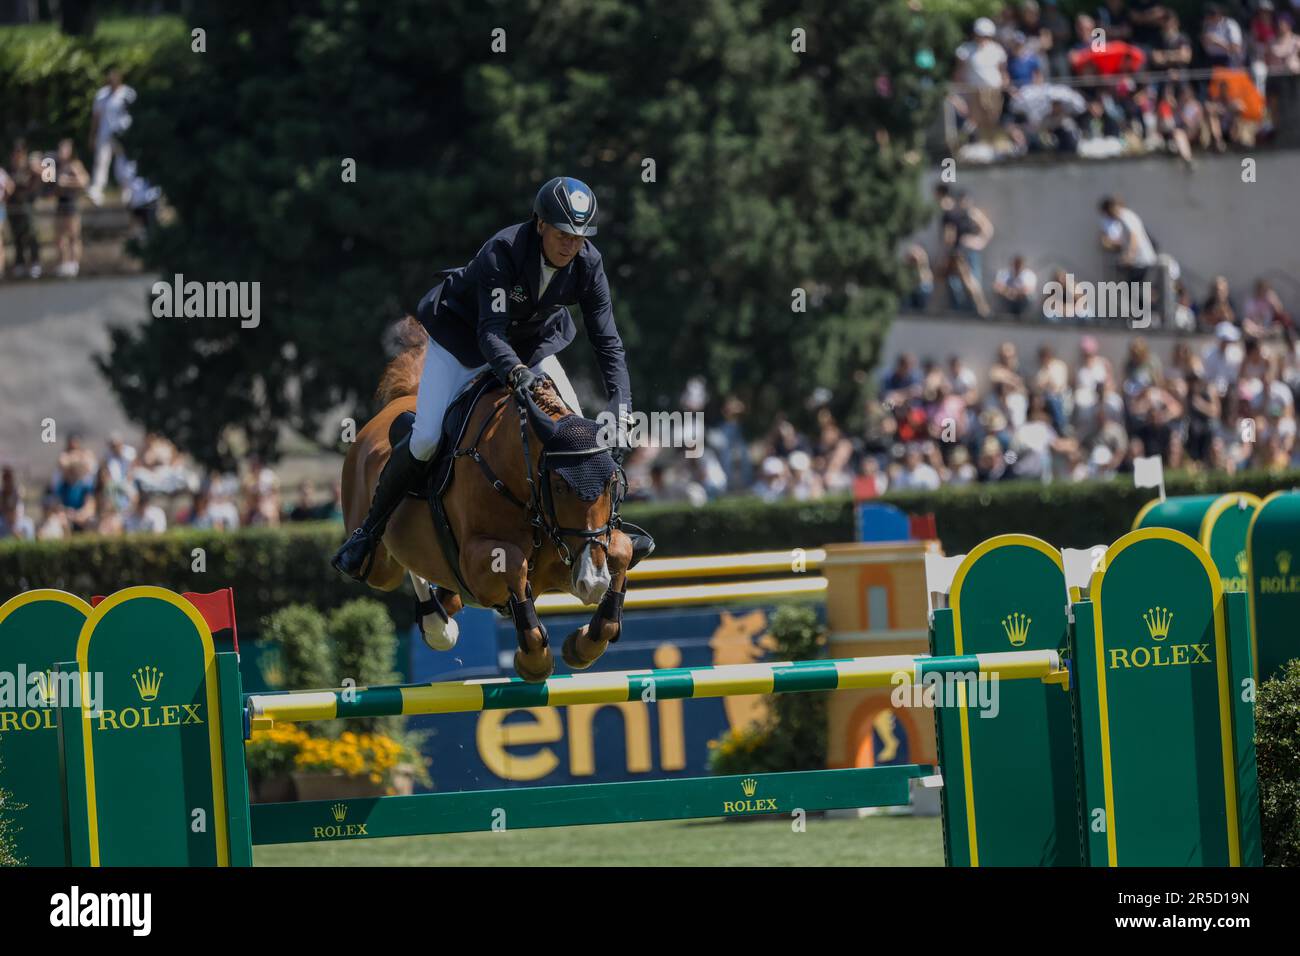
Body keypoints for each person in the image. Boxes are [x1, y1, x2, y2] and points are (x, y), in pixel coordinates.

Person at [332, 177, 632, 580]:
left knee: (577, 443)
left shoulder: (588, 263)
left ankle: (599, 534)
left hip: (531, 347)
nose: (570, 246)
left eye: (579, 238)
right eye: (563, 235)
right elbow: (490, 333)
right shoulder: (502, 253)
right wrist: (516, 373)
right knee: (424, 440)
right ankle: (369, 532)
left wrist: (621, 406)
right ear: (540, 224)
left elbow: (608, 341)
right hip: (462, 342)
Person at [87, 67, 137, 206]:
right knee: (101, 161)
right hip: (105, 134)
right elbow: (96, 118)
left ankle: (127, 192)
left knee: (124, 164)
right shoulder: (101, 95)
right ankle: (96, 191)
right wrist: (92, 135)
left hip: (123, 134)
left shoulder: (128, 93)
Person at [53, 139, 89, 278]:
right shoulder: (56, 166)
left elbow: (84, 181)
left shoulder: (74, 165)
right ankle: (63, 263)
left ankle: (74, 264)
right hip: (60, 203)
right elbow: (51, 186)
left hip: (71, 203)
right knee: (60, 237)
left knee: (73, 236)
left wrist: (67, 182)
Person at [6, 142, 42, 278]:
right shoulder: (9, 170)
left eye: (20, 153)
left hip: (27, 205)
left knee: (31, 234)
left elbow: (47, 179)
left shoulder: (31, 169)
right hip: (13, 207)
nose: (18, 156)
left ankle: (35, 262)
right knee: (17, 236)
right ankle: (19, 262)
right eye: (16, 153)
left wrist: (38, 170)